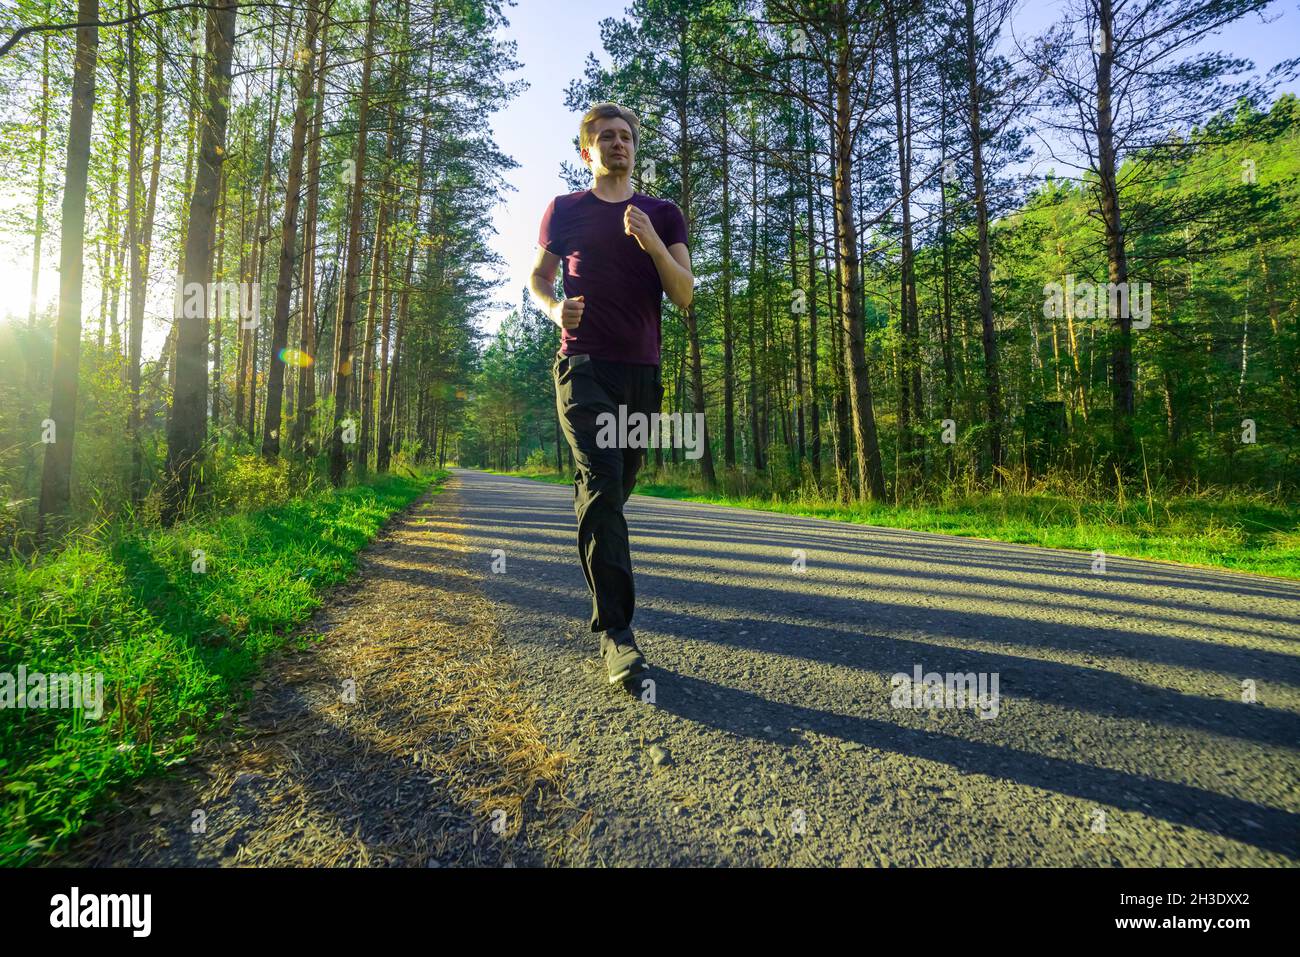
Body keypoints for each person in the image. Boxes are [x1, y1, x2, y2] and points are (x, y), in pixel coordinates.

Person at [528, 102, 693, 685]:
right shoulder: (565, 210)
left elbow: (683, 295)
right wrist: (555, 309)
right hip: (584, 365)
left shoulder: (663, 214)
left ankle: (592, 503)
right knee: (602, 483)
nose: (617, 144)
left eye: (625, 136)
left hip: (641, 373)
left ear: (634, 147)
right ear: (586, 152)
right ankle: (618, 634)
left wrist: (650, 242)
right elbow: (538, 278)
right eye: (605, 137)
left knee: (614, 488)